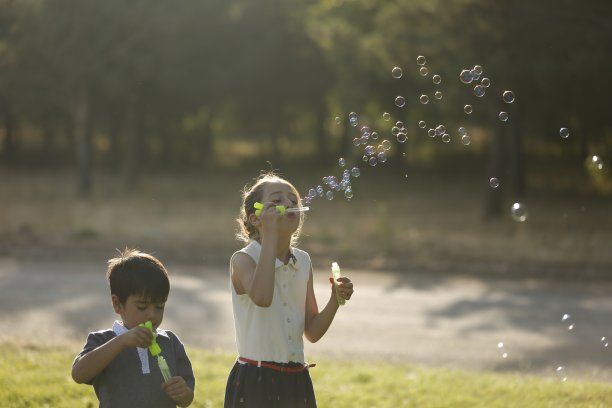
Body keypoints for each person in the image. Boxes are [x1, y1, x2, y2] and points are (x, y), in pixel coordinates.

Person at [225, 172, 354, 408]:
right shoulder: (243, 260)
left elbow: (312, 331)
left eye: (294, 201)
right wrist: (270, 234)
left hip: (296, 379)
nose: (289, 204)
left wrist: (336, 299)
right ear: (256, 219)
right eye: (276, 201)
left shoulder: (303, 261)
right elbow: (262, 297)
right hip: (255, 379)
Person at [72, 248, 195, 407]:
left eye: (159, 306)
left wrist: (183, 392)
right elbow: (79, 374)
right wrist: (121, 342)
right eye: (142, 307)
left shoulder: (170, 343)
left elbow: (187, 399)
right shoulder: (104, 341)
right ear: (117, 304)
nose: (152, 314)